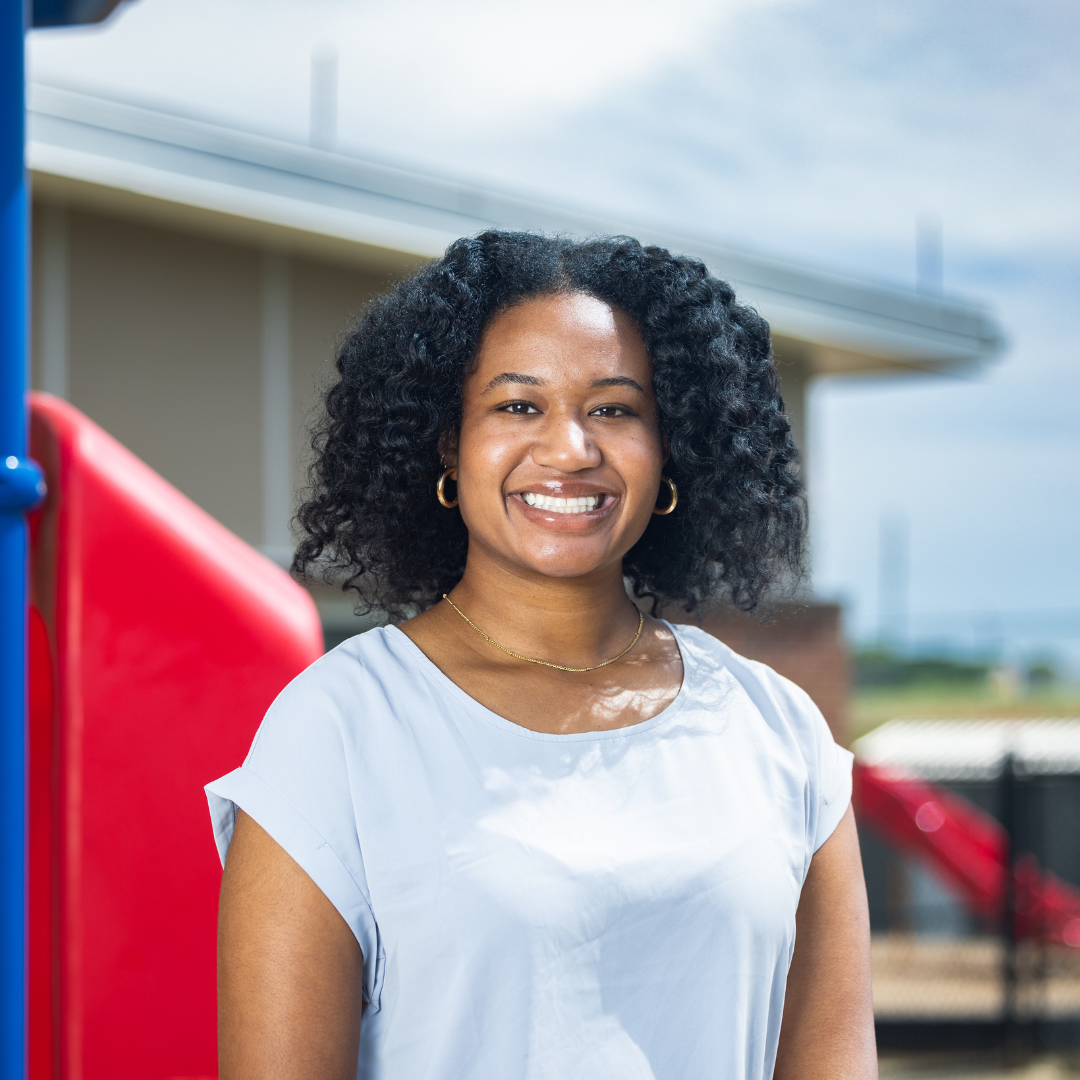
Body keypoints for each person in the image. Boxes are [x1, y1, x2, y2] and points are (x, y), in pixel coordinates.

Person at [207, 231, 876, 1080]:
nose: (570, 449)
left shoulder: (780, 734)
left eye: (615, 409)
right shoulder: (337, 730)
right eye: (518, 406)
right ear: (447, 445)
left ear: (672, 446)